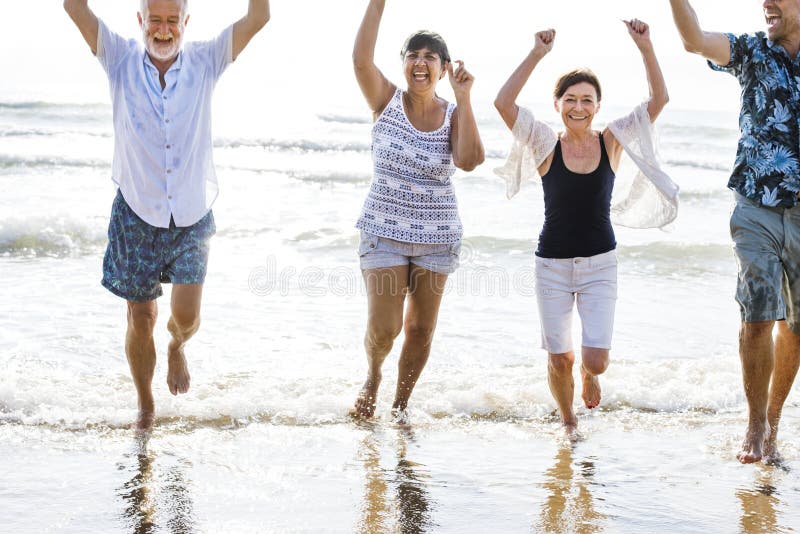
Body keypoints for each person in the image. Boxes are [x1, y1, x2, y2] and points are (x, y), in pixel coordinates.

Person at [63, 0, 270, 431]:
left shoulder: (206, 59)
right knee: (141, 317)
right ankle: (145, 405)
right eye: (154, 20)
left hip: (192, 216)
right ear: (140, 22)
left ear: (185, 22)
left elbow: (258, 18)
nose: (162, 30)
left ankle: (177, 346)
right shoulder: (118, 58)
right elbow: (74, 6)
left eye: (171, 21)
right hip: (137, 212)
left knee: (187, 316)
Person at [494, 20, 678, 438]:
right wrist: (537, 54)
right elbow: (504, 103)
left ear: (598, 105)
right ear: (557, 104)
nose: (579, 107)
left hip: (600, 264)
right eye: (570, 99)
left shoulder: (612, 141)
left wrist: (645, 47)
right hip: (552, 266)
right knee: (560, 358)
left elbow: (659, 99)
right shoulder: (544, 144)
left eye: (587, 100)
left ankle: (591, 377)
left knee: (594, 360)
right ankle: (568, 421)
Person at [668, 0, 800, 464]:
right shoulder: (751, 53)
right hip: (756, 206)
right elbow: (693, 39)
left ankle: (775, 419)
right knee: (759, 315)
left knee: (798, 328)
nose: (768, 3)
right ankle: (755, 422)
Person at [350, 0, 485, 419]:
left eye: (431, 57)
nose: (421, 62)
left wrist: (465, 99)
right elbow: (360, 59)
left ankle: (400, 407)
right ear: (404, 64)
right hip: (384, 232)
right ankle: (373, 376)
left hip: (437, 238)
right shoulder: (385, 100)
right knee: (386, 328)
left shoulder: (453, 113)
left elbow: (469, 161)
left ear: (444, 68)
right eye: (414, 55)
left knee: (421, 330)